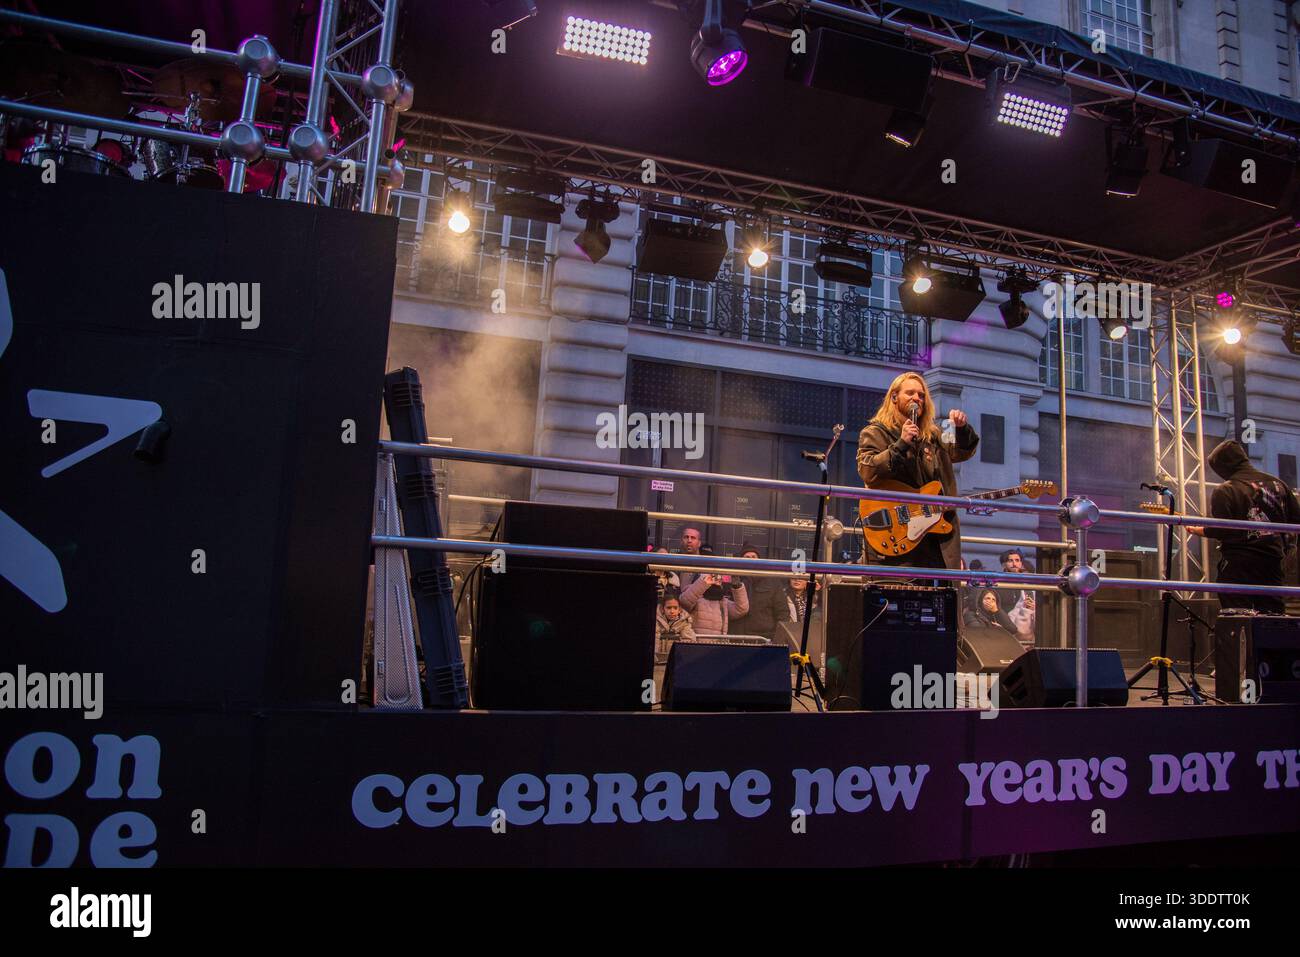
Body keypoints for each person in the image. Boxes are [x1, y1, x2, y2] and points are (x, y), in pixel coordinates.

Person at [856, 371, 979, 574]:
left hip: (935, 537)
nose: (917, 398)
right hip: (897, 531)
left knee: (938, 598)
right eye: (910, 393)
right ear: (894, 397)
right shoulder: (875, 432)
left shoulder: (937, 432)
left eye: (921, 395)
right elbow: (868, 471)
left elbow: (957, 452)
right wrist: (901, 444)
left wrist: (961, 428)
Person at [1187, 439, 1300, 614]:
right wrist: (1288, 547)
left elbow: (1222, 530)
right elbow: (1296, 521)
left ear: (1223, 466)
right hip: (1272, 561)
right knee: (1273, 616)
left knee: (1237, 616)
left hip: (1239, 563)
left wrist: (1198, 530)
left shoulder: (1226, 490)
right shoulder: (1278, 485)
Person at [732, 544, 791, 641]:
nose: (751, 559)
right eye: (747, 557)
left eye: (754, 557)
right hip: (737, 637)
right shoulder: (734, 579)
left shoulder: (773, 582)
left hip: (765, 639)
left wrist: (778, 639)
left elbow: (783, 613)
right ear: (741, 560)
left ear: (759, 560)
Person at [680, 573, 749, 635]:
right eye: (713, 577)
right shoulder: (697, 596)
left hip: (716, 645)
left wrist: (737, 586)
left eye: (720, 578)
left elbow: (740, 609)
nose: (717, 579)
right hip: (696, 643)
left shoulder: (722, 600)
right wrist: (704, 582)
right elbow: (685, 601)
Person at [996, 549, 1036, 644]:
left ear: (1021, 563)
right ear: (1003, 564)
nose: (1014, 563)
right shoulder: (997, 584)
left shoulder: (1027, 586)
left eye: (1017, 560)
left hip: (1024, 633)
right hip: (1002, 630)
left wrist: (1032, 607)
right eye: (1010, 560)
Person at [655, 595, 695, 662]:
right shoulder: (656, 620)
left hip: (675, 660)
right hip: (657, 660)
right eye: (669, 608)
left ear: (679, 610)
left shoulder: (684, 622)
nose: (672, 611)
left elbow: (688, 641)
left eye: (675, 608)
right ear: (662, 609)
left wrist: (682, 659)